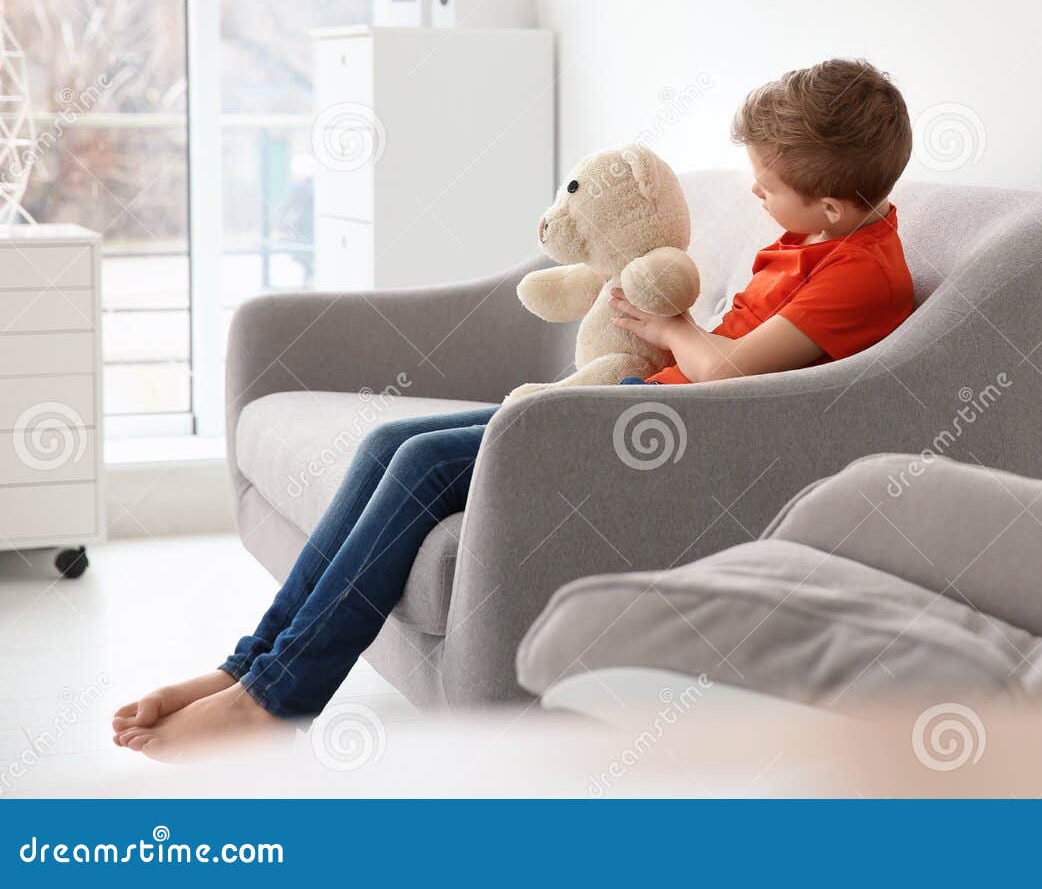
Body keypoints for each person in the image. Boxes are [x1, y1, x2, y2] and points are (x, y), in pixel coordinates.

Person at [112, 57, 916, 758]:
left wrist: (669, 325)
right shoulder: (817, 234)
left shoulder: (861, 273)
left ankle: (274, 703)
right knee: (390, 441)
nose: (753, 192)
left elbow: (732, 371)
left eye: (768, 187)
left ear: (836, 207)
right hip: (649, 404)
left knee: (425, 461)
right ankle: (249, 666)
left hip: (679, 438)